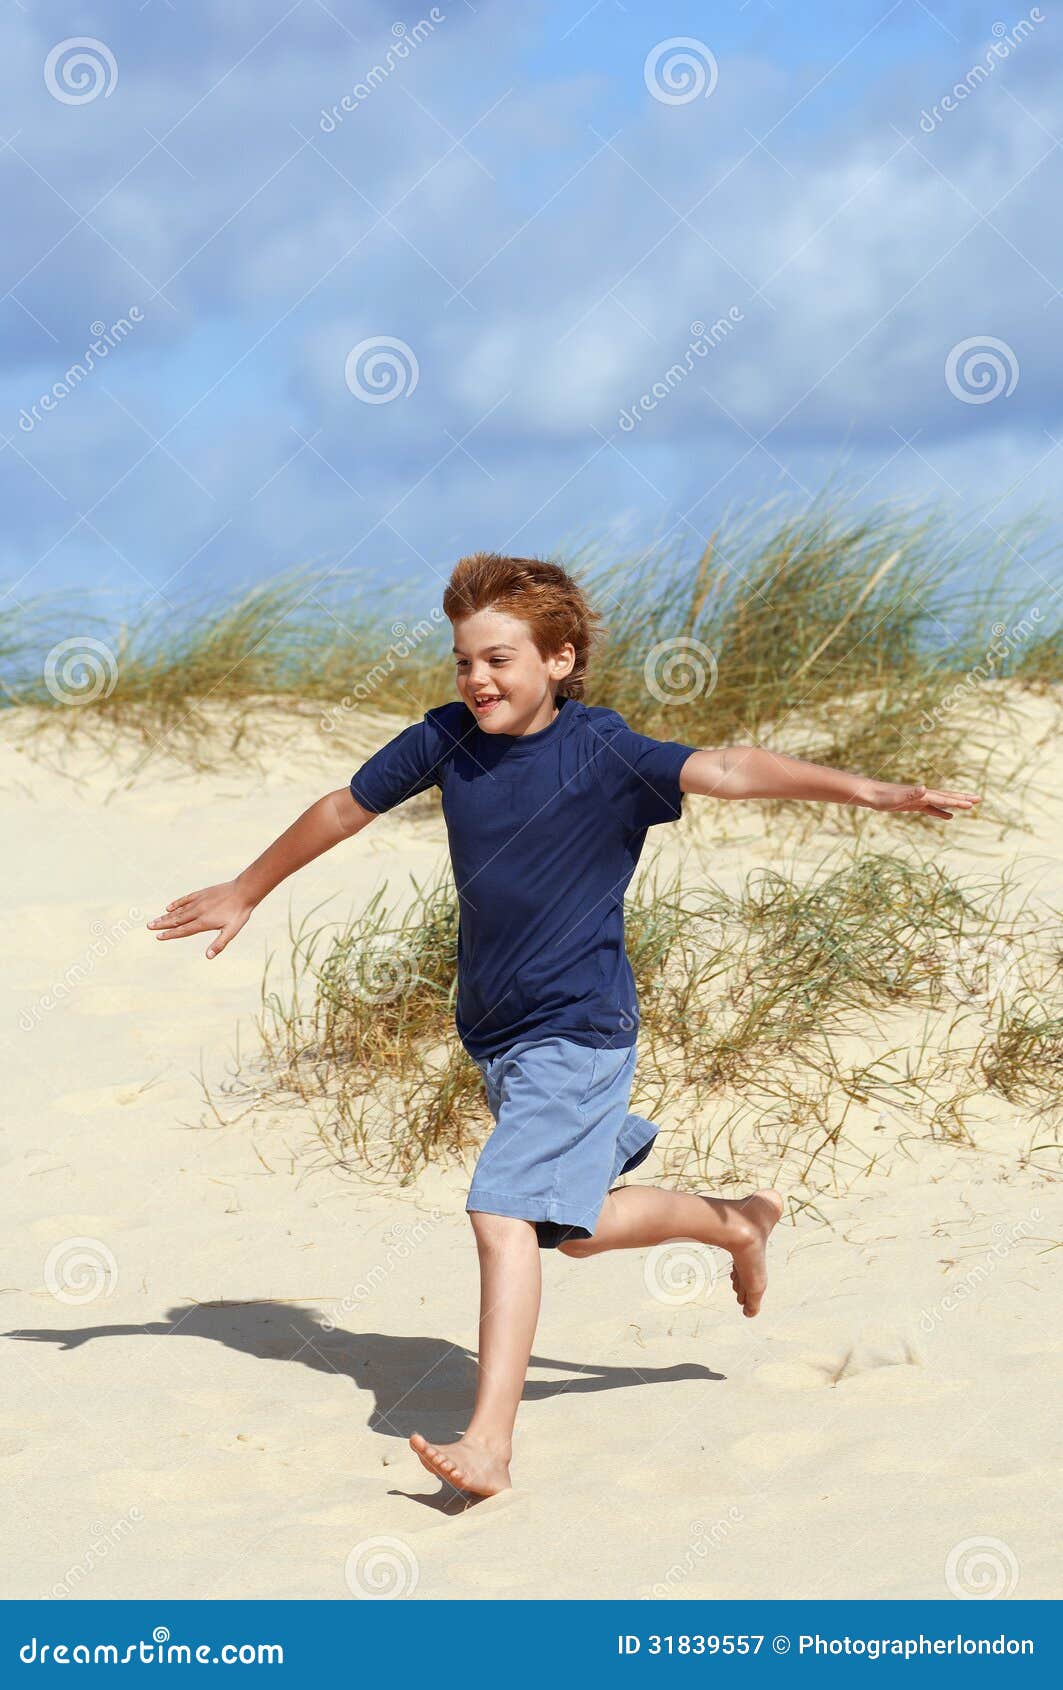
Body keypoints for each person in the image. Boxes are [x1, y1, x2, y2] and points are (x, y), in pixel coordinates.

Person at [147, 551, 982, 1499]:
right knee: (570, 1233)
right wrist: (244, 891)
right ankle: (736, 1221)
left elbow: (727, 767)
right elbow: (344, 806)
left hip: (578, 1029)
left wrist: (876, 791)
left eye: (498, 659)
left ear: (560, 658)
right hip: (495, 1032)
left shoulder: (605, 752)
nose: (477, 679)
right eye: (464, 660)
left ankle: (489, 1446)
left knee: (500, 1212)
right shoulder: (446, 739)